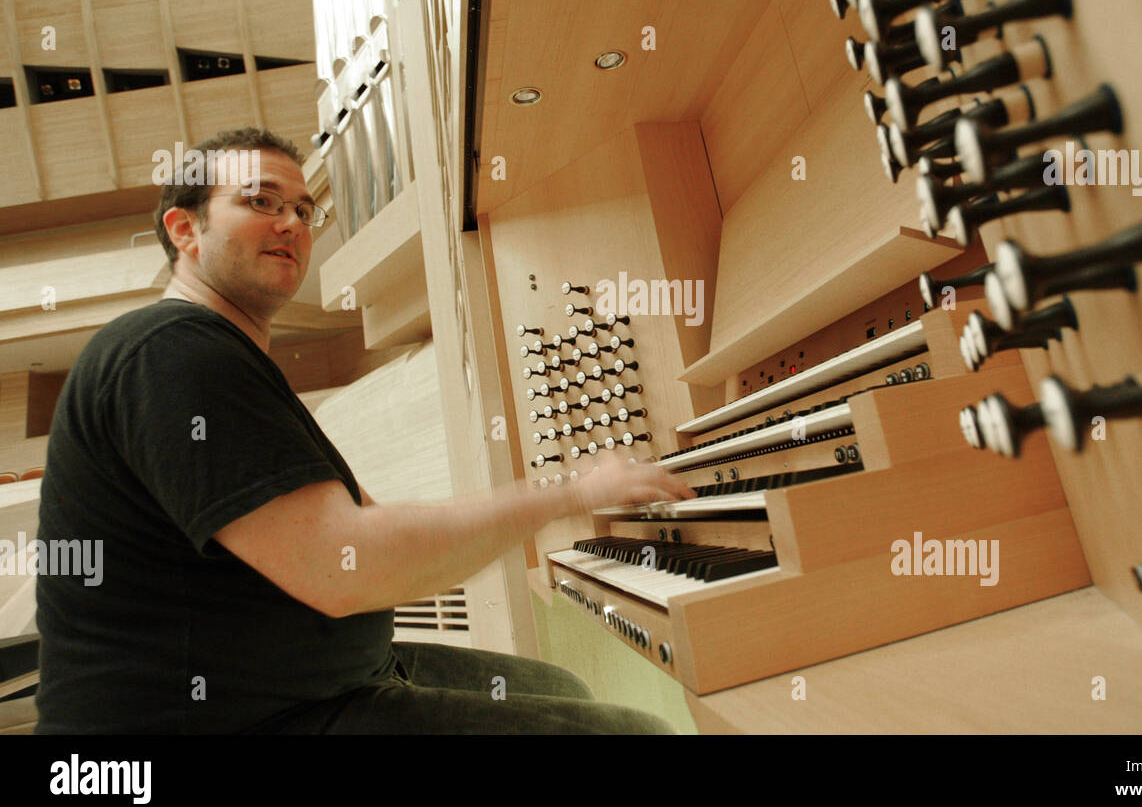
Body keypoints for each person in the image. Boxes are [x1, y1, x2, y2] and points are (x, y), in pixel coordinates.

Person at [34, 127, 692, 733]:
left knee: (561, 688)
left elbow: (373, 539)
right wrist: (568, 492)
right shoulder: (170, 352)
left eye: (302, 209)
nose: (292, 223)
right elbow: (345, 568)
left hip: (309, 684)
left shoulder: (216, 357)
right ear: (186, 230)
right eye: (261, 202)